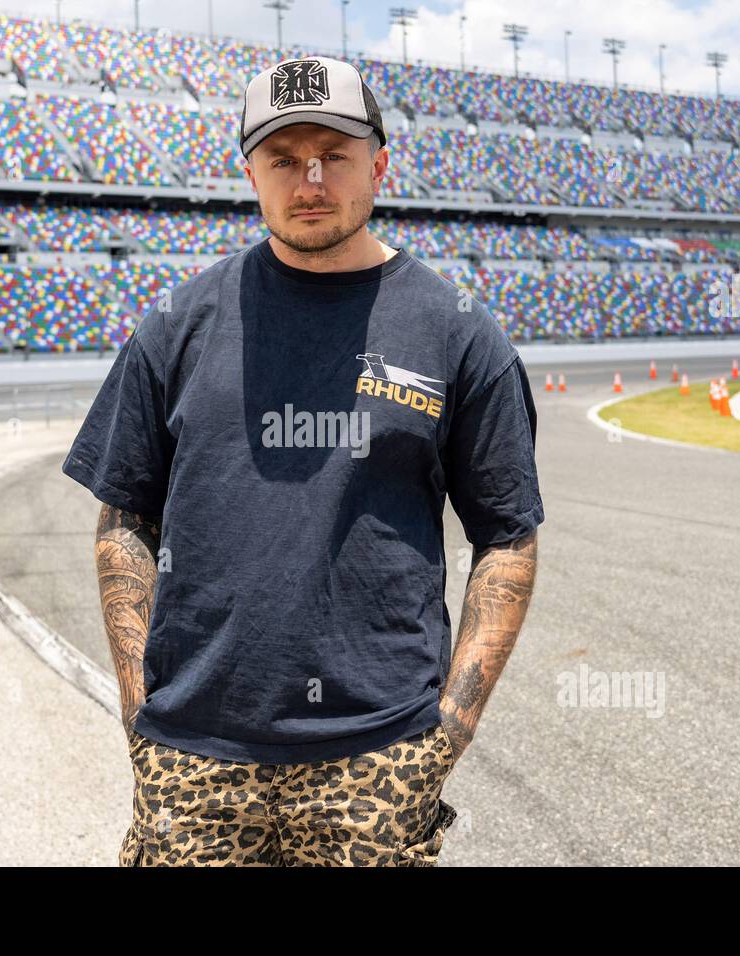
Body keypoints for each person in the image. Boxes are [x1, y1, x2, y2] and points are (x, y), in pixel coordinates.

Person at [62, 55, 544, 866]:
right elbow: (124, 520)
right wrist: (139, 712)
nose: (310, 178)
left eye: (335, 153)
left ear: (379, 165)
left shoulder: (456, 332)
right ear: (250, 170)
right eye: (284, 158)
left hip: (376, 754)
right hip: (193, 756)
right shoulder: (177, 325)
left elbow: (507, 536)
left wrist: (448, 731)